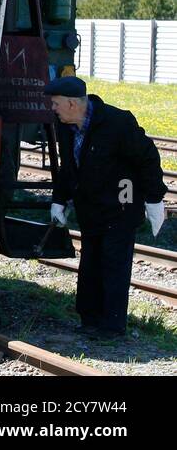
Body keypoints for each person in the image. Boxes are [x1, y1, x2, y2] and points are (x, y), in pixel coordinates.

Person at [46, 76, 167, 340]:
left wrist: (155, 199)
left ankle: (112, 327)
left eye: (55, 104)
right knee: (90, 264)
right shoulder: (66, 127)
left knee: (114, 266)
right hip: (91, 209)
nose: (52, 109)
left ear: (71, 103)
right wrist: (59, 198)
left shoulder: (118, 122)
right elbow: (69, 167)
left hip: (120, 209)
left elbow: (147, 158)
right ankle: (89, 321)